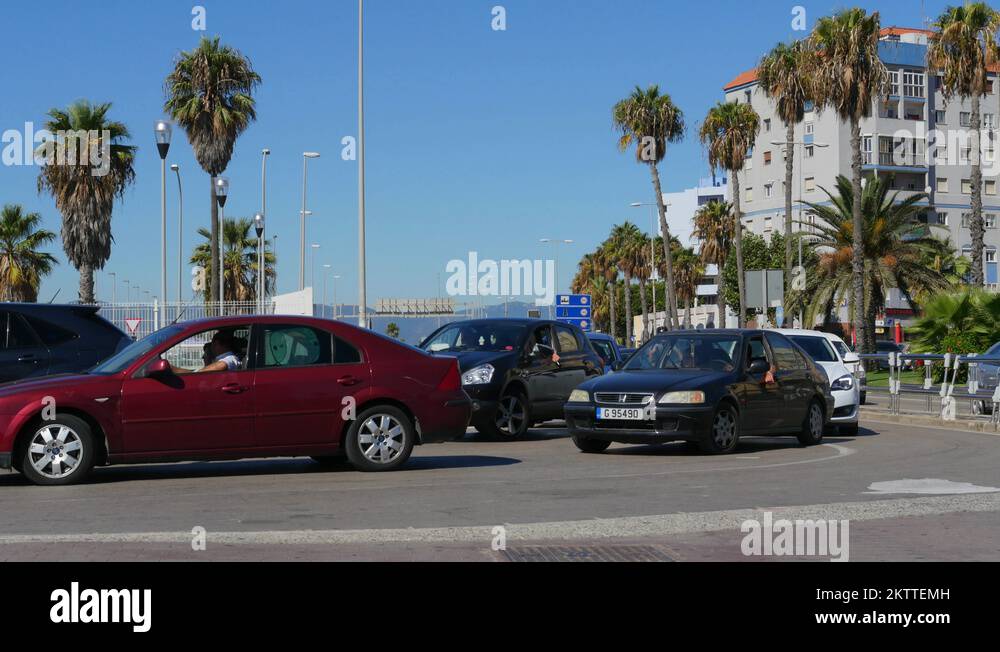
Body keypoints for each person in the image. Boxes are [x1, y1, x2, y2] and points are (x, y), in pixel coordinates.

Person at [172, 331, 241, 374]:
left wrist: (173, 369)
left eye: (212, 344)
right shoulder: (220, 359)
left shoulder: (230, 358)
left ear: (216, 343)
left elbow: (221, 365)